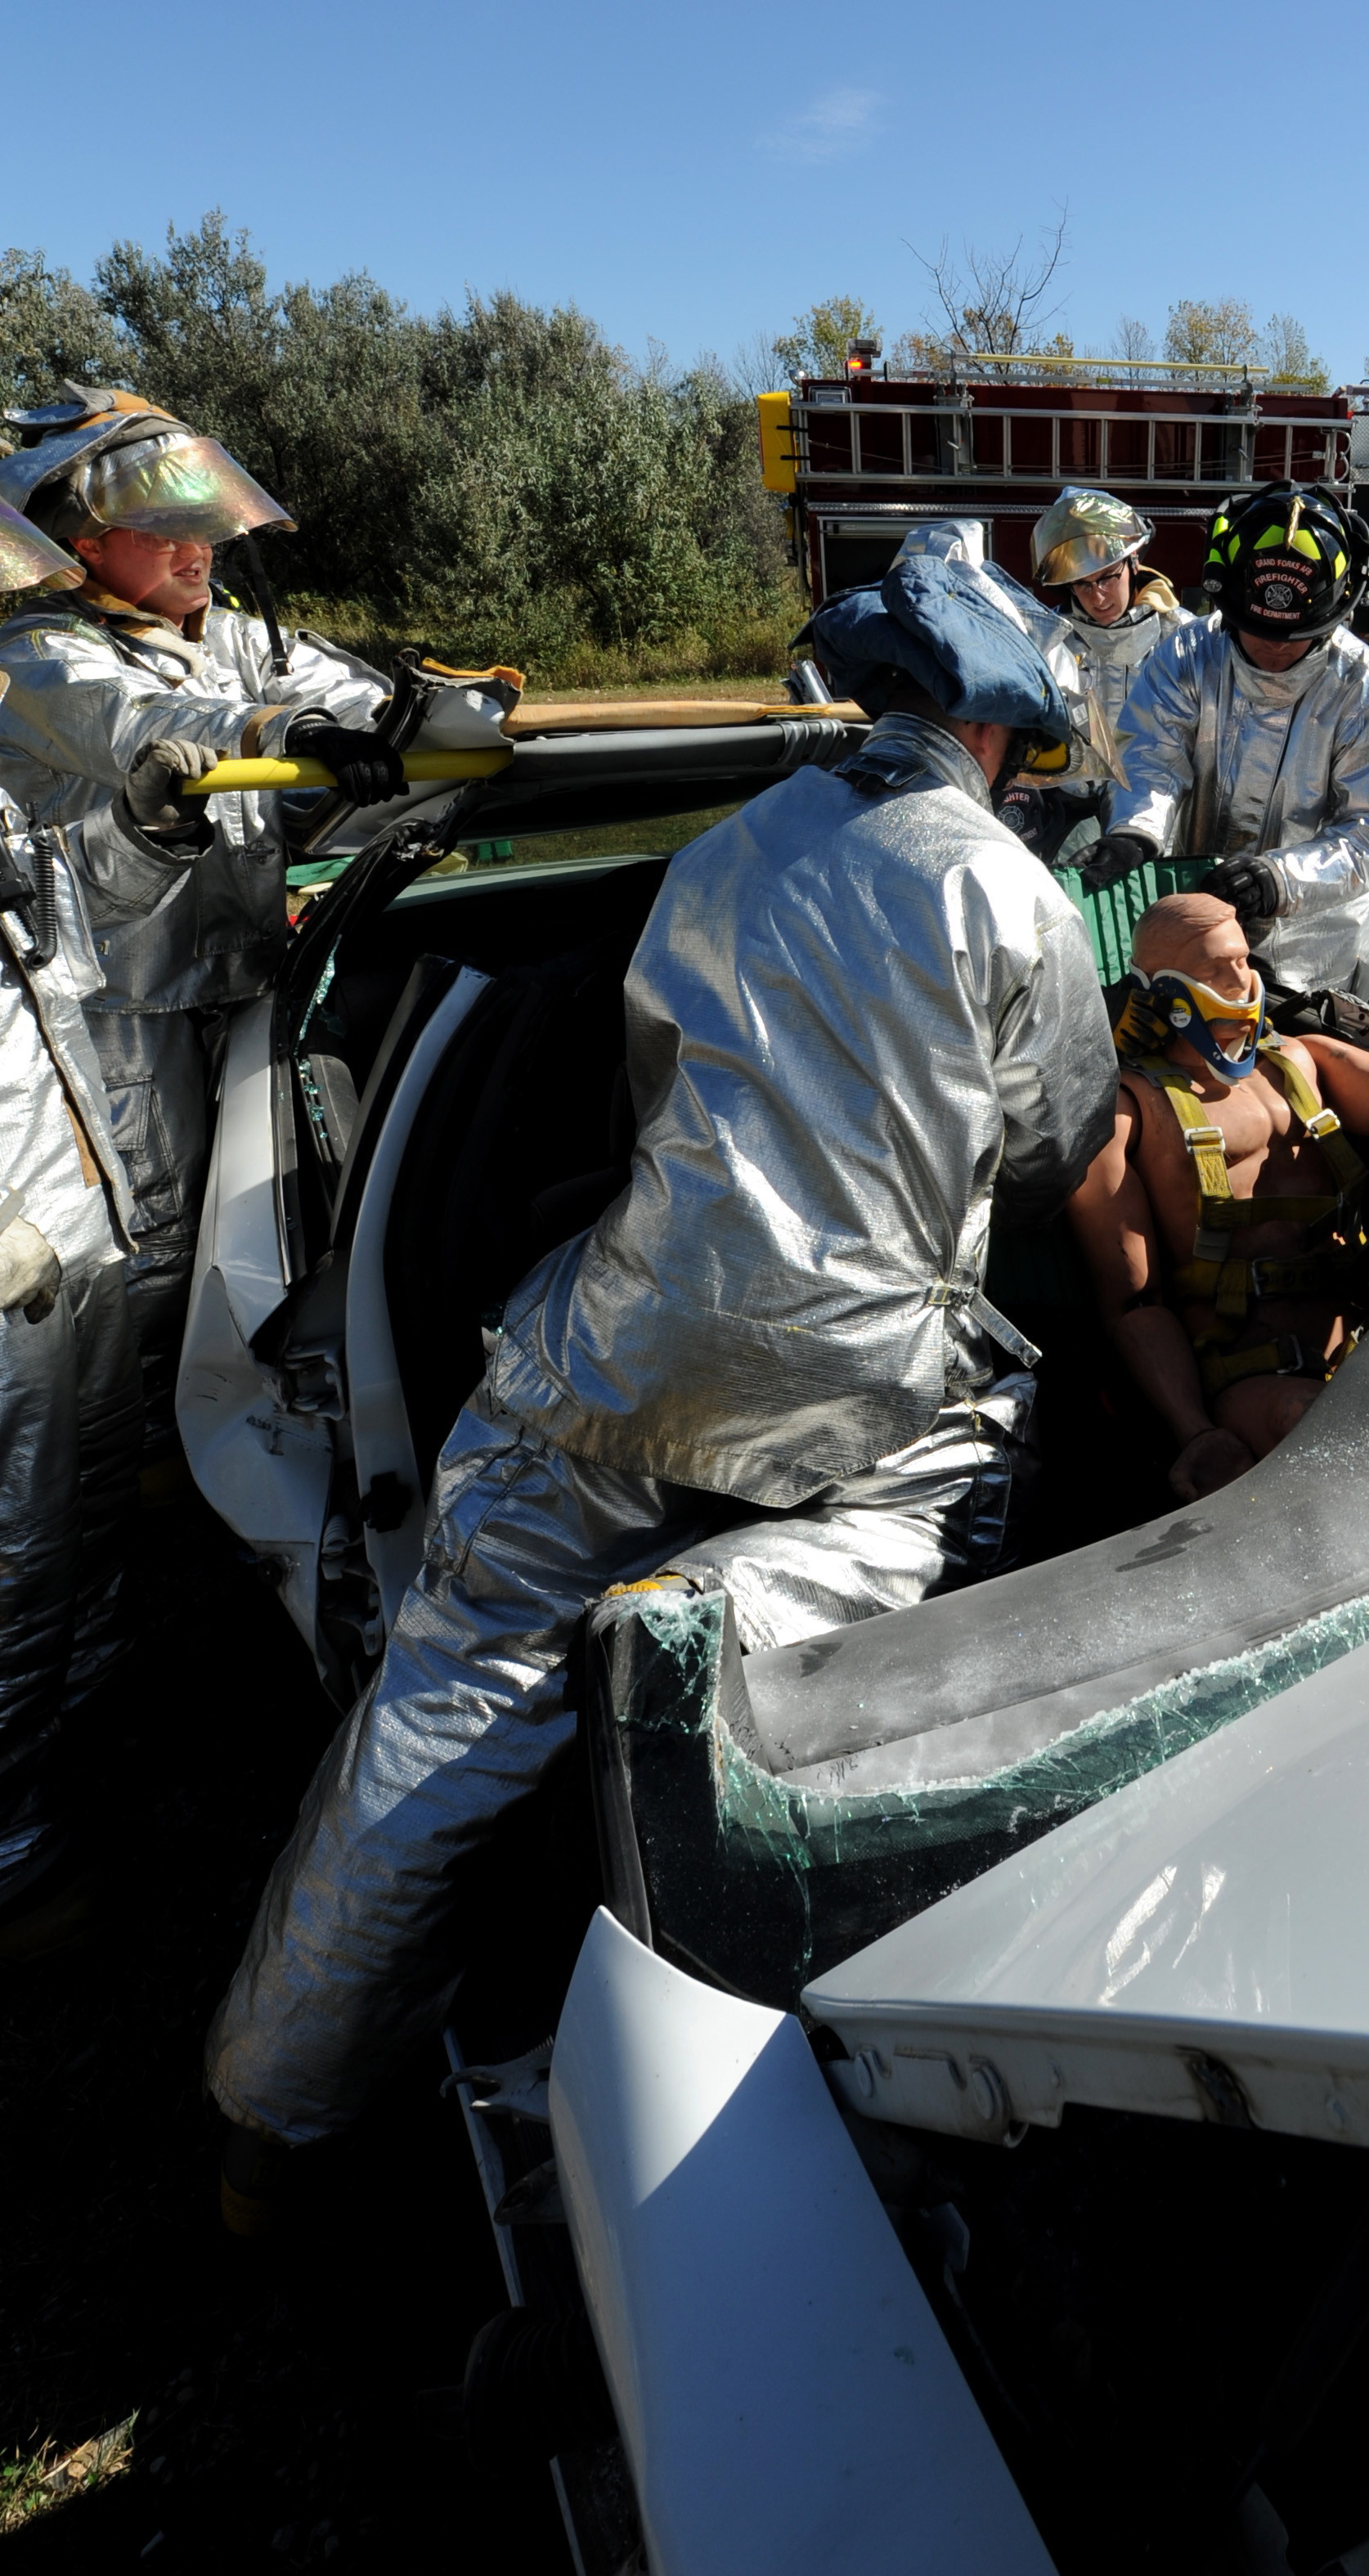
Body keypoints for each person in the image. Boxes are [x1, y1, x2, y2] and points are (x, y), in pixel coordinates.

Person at [204, 546, 1115, 2177]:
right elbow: (1055, 1142)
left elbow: (654, 1086)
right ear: (1000, 729)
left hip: (605, 1352)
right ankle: (688, 1656)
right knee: (974, 1498)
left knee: (436, 1709)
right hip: (859, 1393)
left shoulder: (716, 852)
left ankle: (272, 2117)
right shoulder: (1009, 890)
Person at [0, 388, 518, 1434]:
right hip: (112, 1016)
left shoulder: (234, 638)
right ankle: (142, 1452)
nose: (202, 551)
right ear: (85, 545)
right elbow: (141, 722)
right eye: (170, 529)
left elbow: (351, 695)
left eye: (208, 525)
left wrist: (428, 719)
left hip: (244, 986)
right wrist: (290, 726)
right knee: (150, 1242)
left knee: (260, 1221)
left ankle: (242, 1426)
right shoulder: (37, 657)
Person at [0, 497, 217, 1956]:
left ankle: (69, 1763)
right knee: (15, 1523)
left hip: (57, 1171)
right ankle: (10, 1844)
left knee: (73, 1493)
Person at [1066, 890, 1369, 1499]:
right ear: (1164, 991)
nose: (1241, 979)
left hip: (1362, 1347)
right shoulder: (1127, 1115)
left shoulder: (1300, 1063)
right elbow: (1132, 1304)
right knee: (1326, 1432)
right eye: (1214, 969)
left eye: (1243, 960)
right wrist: (1195, 1431)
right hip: (1247, 1378)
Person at [1083, 483, 1369, 1020]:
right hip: (1190, 952)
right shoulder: (1188, 656)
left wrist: (1278, 880)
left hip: (1303, 963)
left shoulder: (1364, 691)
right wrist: (1135, 831)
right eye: (1257, 630)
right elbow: (1149, 756)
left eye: (1297, 636)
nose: (1276, 648)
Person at [1030, 485, 1183, 793]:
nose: (1097, 597)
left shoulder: (1180, 636)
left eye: (1107, 578)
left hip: (1154, 804)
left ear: (1133, 562)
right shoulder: (1050, 638)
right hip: (1071, 805)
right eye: (1082, 585)